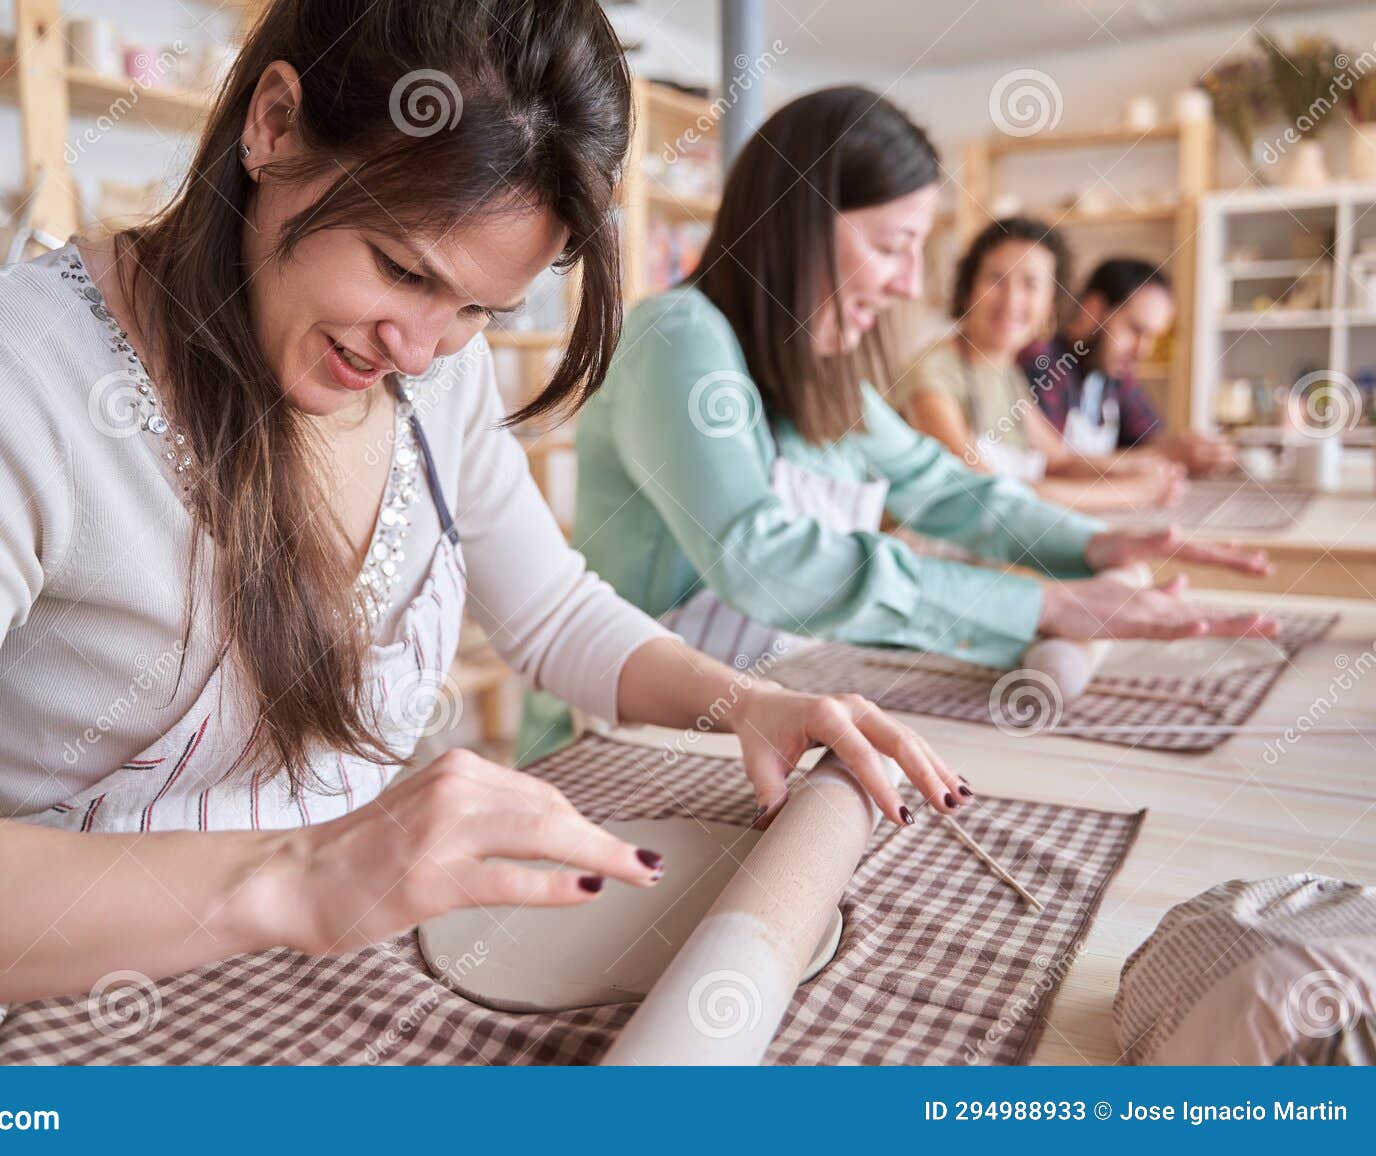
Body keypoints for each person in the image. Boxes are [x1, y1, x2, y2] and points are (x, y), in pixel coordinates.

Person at [0, 0, 967, 1062]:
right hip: (95, 1023)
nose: (420, 347)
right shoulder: (6, 373)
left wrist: (744, 702)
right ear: (274, 124)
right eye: (401, 268)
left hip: (339, 990)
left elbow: (553, 613)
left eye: (480, 307)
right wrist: (298, 875)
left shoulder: (435, 375)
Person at [517, 87, 1273, 766]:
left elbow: (939, 486)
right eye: (889, 247)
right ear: (797, 225)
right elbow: (760, 558)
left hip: (756, 719)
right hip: (613, 744)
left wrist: (1094, 546)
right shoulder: (678, 338)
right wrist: (1044, 605)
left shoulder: (816, 367)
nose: (909, 283)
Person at [899, 217, 1187, 513]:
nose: (1012, 300)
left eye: (1030, 284)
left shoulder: (1006, 373)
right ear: (968, 288)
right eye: (996, 279)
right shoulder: (934, 373)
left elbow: (1060, 462)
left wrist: (1141, 470)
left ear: (1051, 303)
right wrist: (1131, 492)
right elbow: (982, 494)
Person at [1025, 257, 1235, 475]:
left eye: (1151, 337)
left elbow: (1149, 438)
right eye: (1135, 330)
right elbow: (1054, 465)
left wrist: (1190, 449)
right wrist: (1165, 455)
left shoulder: (1115, 378)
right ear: (1092, 310)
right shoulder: (1044, 366)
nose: (1142, 351)